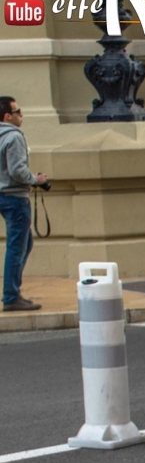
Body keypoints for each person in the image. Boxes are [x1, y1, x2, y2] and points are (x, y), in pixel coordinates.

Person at [0, 97, 45, 312]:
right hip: (15, 197)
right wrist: (35, 179)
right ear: (7, 116)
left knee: (23, 245)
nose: (22, 115)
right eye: (18, 111)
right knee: (17, 248)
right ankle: (11, 297)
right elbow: (17, 170)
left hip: (3, 195)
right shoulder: (14, 136)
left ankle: (13, 291)